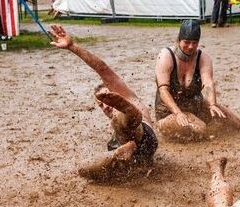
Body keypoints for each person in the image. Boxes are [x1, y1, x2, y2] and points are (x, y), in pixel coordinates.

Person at [47, 24, 158, 181]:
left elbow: (102, 69)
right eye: (101, 105)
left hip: (144, 136)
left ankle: (128, 113)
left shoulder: (129, 97)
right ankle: (120, 157)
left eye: (107, 99)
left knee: (122, 119)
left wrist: (73, 47)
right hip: (138, 153)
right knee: (86, 171)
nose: (105, 106)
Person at [154, 19, 240, 141]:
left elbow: (208, 83)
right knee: (200, 129)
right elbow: (163, 90)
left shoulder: (203, 57)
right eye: (187, 42)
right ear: (179, 39)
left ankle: (202, 124)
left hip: (195, 106)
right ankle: (165, 127)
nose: (191, 46)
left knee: (236, 124)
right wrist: (178, 113)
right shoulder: (166, 55)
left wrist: (212, 104)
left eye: (194, 43)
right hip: (169, 112)